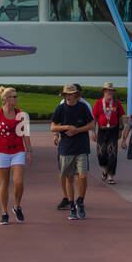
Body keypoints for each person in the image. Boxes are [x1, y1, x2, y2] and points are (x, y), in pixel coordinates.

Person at [51, 83, 95, 220]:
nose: (68, 97)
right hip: (66, 147)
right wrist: (64, 128)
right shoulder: (60, 108)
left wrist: (77, 130)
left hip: (81, 147)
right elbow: (53, 126)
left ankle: (80, 201)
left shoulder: (83, 107)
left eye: (71, 94)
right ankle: (71, 205)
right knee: (68, 178)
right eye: (66, 94)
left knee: (83, 175)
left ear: (76, 94)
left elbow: (92, 124)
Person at [0, 86, 31, 224]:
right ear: (6, 99)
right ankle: (4, 212)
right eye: (14, 96)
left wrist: (29, 151)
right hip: (1, 152)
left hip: (17, 150)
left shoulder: (20, 114)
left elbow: (25, 134)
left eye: (16, 96)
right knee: (4, 183)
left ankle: (17, 206)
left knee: (18, 181)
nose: (16, 98)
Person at [94, 82, 124, 185]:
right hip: (102, 131)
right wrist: (93, 132)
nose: (109, 92)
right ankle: (105, 170)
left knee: (112, 153)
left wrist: (120, 130)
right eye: (108, 91)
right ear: (104, 92)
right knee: (101, 154)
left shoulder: (116, 103)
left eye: (111, 91)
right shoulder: (98, 103)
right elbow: (94, 118)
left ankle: (111, 176)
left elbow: (120, 117)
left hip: (113, 131)